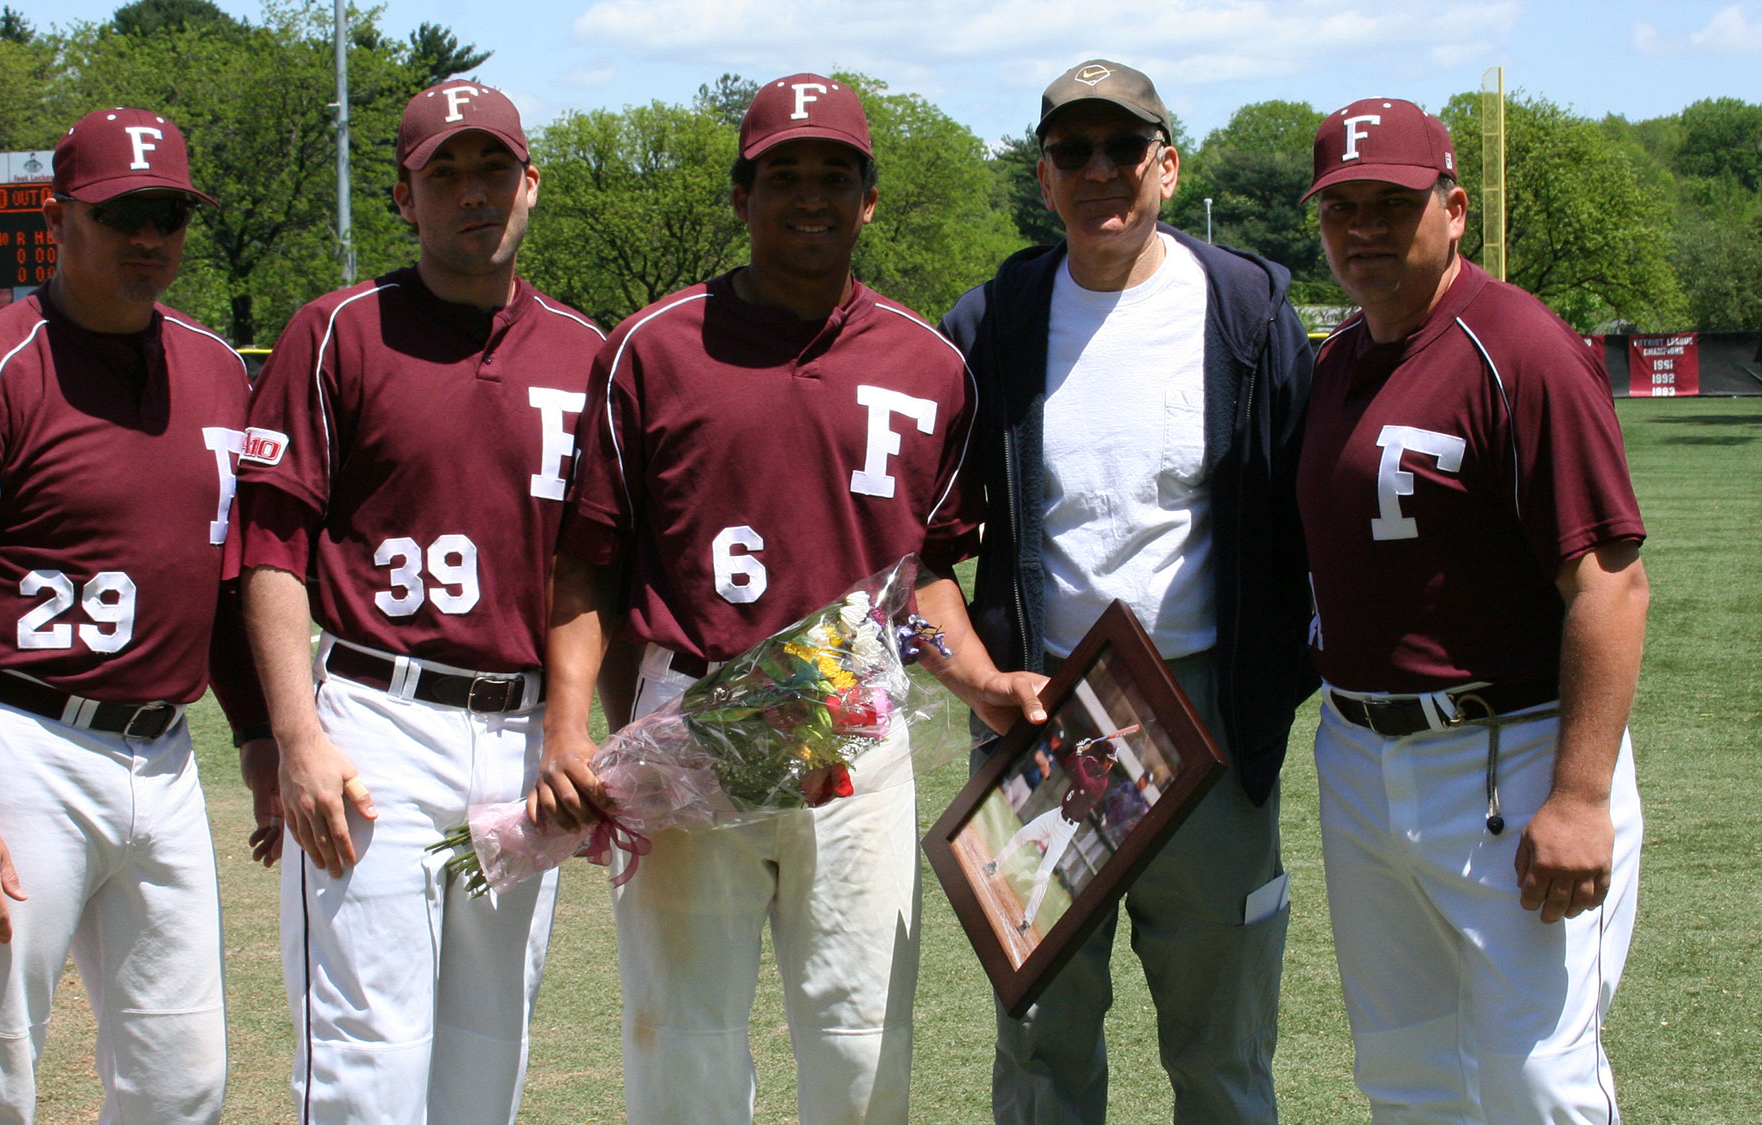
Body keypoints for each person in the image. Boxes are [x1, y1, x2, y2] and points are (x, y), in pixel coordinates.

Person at [534, 73, 1042, 1125]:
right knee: (682, 1047)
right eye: (782, 174)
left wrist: (980, 678)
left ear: (866, 200)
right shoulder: (652, 346)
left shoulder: (927, 362)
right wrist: (570, 727)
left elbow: (926, 573)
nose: (808, 195)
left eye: (834, 175)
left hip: (852, 736)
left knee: (860, 1047)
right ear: (739, 196)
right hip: (689, 722)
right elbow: (586, 559)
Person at [0, 107, 271, 1124]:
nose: (148, 239)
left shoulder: (218, 370)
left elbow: (218, 585)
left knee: (182, 1080)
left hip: (166, 760)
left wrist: (258, 740)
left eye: (167, 215)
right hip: (15, 745)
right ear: (60, 216)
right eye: (121, 212)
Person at [939, 58, 1317, 1125]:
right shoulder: (997, 317)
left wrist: (1265, 689)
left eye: (1121, 149)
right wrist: (979, 683)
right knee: (1043, 1047)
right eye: (1073, 152)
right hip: (1042, 717)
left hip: (1202, 713)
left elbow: (1307, 507)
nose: (1098, 171)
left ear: (1166, 164)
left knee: (1221, 1050)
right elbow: (922, 538)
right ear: (1045, 174)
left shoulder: (1242, 306)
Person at [234, 80, 604, 1124]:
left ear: (529, 184)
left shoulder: (586, 352)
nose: (471, 192)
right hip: (375, 723)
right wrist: (294, 738)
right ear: (403, 196)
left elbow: (595, 566)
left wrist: (577, 737)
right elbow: (269, 548)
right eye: (443, 172)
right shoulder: (336, 333)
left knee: (490, 1046)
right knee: (366, 1052)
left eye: (491, 168)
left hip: (528, 733)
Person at [1299, 97, 1647, 1123]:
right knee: (1404, 1073)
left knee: (1535, 1076)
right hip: (1359, 753)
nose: (1362, 228)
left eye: (1390, 205)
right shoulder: (1336, 363)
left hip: (1509, 752)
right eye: (1340, 207)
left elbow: (1608, 583)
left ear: (1453, 209)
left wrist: (1579, 797)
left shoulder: (1519, 348)